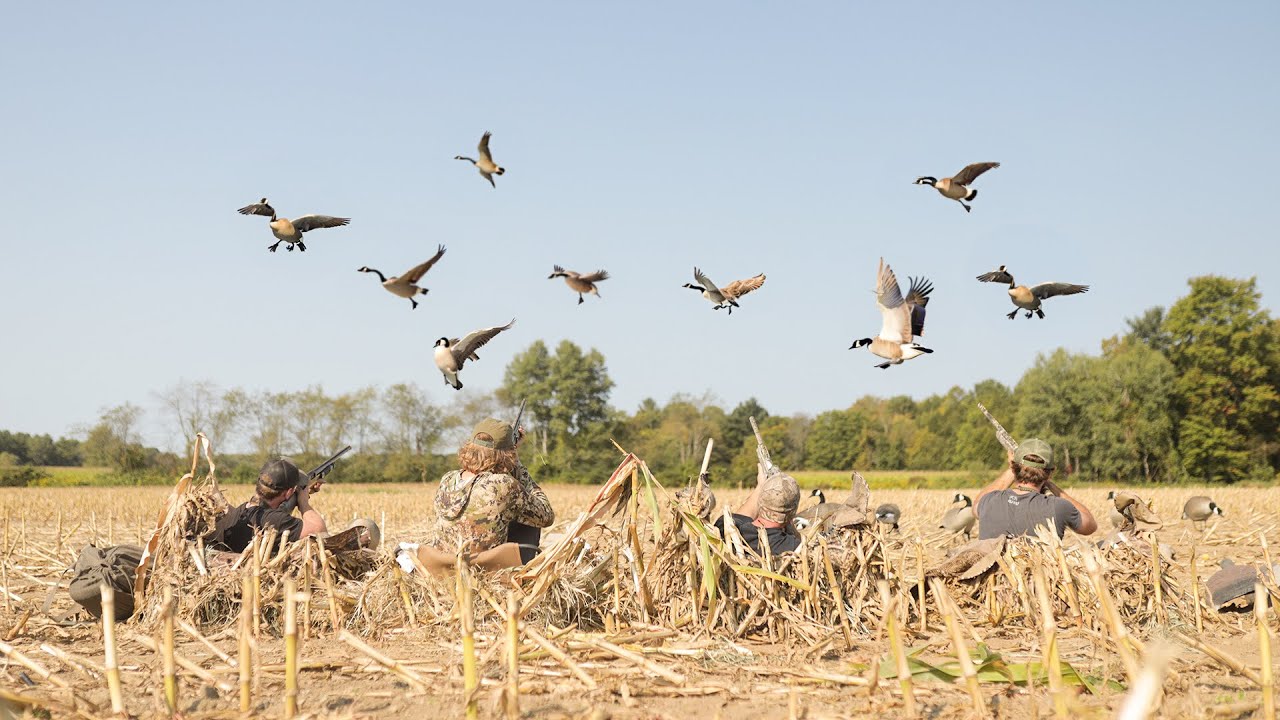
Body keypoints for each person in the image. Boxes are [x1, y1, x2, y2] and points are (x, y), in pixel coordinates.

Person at [411, 418, 554, 573]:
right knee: (529, 517)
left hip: (445, 571)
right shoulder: (503, 484)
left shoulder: (448, 479)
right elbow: (546, 516)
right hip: (486, 572)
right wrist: (517, 463)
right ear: (507, 453)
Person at [973, 439, 1098, 540]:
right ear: (1050, 473)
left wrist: (1012, 469)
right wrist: (1053, 486)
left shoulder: (989, 500)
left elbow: (975, 508)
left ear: (1014, 467)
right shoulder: (1059, 507)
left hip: (993, 565)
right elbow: (1090, 526)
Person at [206, 459, 328, 552]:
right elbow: (319, 531)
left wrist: (300, 495)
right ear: (289, 492)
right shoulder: (275, 520)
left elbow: (269, 507)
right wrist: (304, 503)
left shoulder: (241, 511)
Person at [713, 464, 802, 556]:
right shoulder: (792, 547)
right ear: (792, 511)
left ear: (760, 502)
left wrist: (760, 487)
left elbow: (740, 518)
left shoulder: (723, 528)